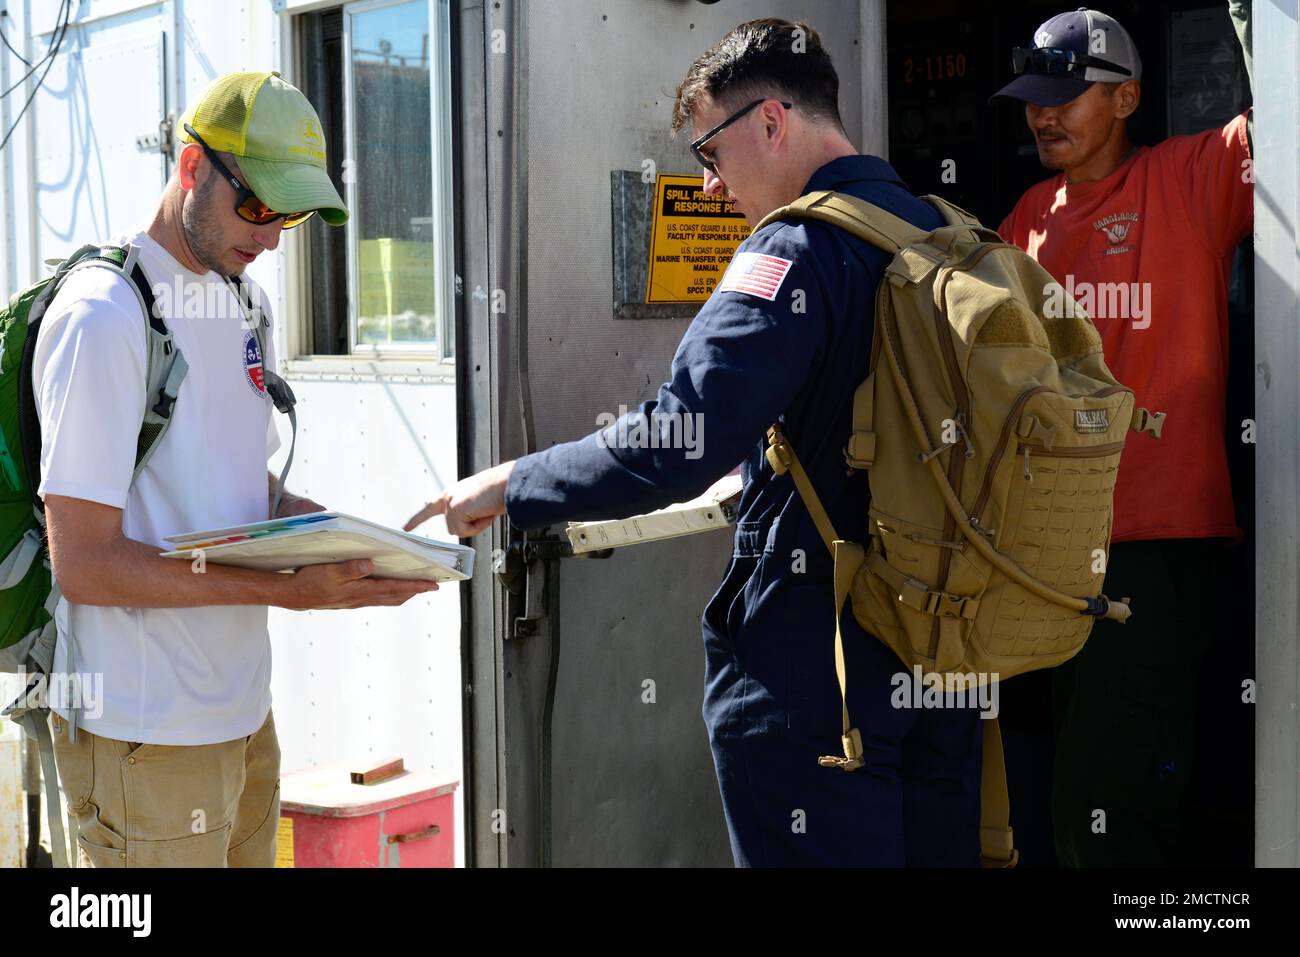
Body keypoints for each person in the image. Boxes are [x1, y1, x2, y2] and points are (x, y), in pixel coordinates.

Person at [407, 19, 984, 866]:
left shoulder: (796, 251)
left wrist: (510, 483)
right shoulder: (946, 233)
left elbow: (674, 442)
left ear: (772, 124)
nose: (709, 188)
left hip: (820, 678)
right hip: (946, 657)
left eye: (709, 154)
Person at [38, 71, 440, 867]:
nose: (274, 236)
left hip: (244, 722)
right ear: (192, 169)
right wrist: (284, 592)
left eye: (291, 213)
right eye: (257, 206)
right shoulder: (103, 317)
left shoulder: (241, 302)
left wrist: (352, 547)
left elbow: (243, 494)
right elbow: (83, 563)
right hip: (143, 737)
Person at [992, 6, 1253, 866]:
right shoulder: (1026, 214)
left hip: (1156, 552)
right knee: (1046, 785)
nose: (1043, 114)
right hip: (1040, 559)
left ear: (1129, 97)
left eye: (1067, 95)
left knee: (1110, 800)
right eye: (1034, 98)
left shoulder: (1192, 176)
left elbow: (1285, 115)